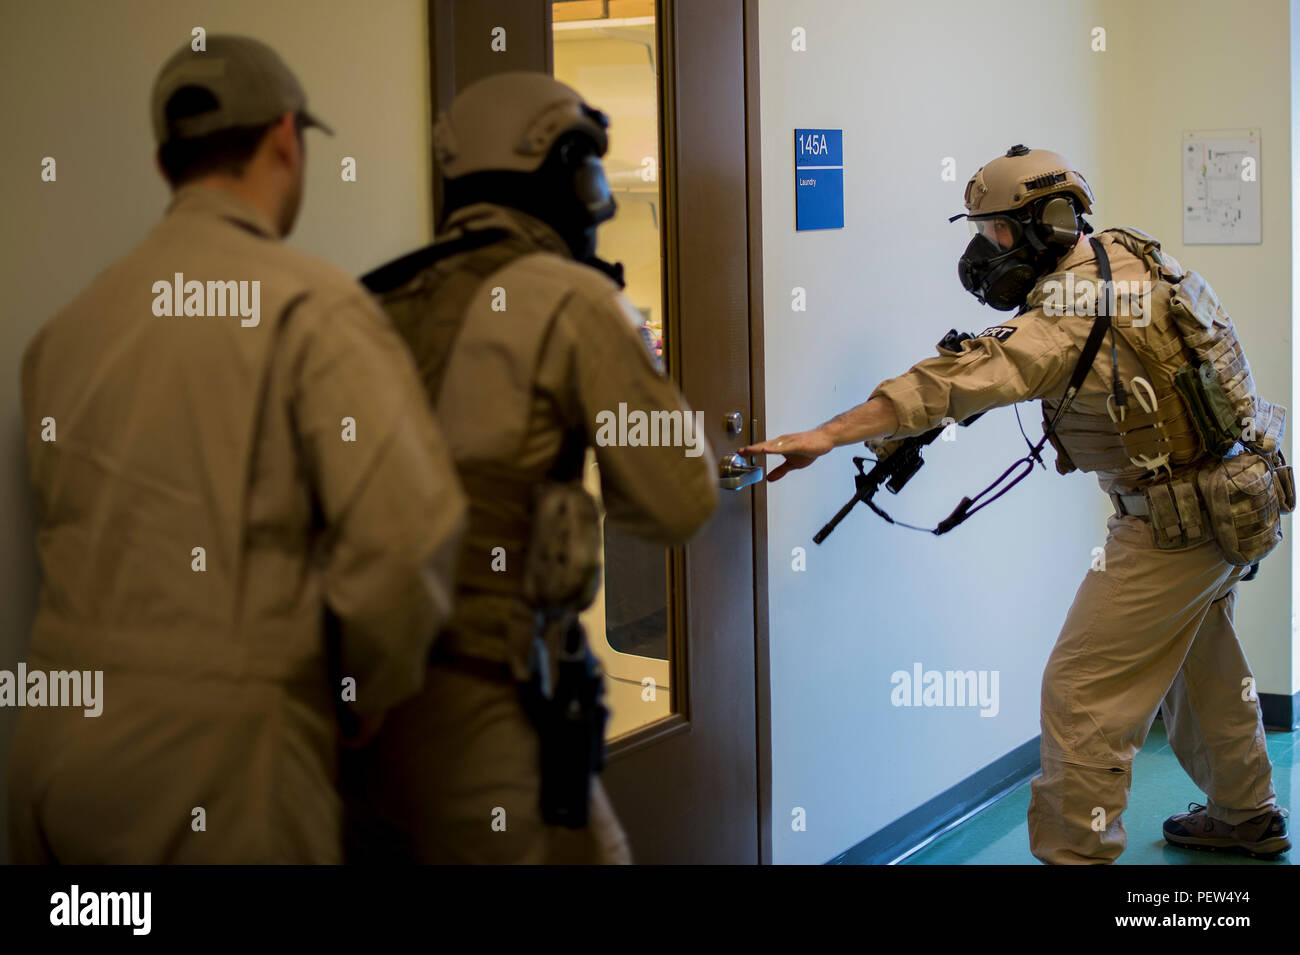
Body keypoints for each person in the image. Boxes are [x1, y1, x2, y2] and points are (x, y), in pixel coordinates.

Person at [742, 144, 1290, 864]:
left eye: (996, 231)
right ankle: (1246, 813)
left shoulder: (1066, 316)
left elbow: (957, 377)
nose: (985, 250)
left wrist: (825, 434)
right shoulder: (1126, 256)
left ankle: (1075, 852)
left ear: (1043, 224)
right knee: (1204, 665)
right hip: (1240, 495)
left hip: (1171, 525)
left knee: (1082, 694)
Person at [8, 35, 466, 864]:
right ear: (287, 138)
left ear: (164, 164)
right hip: (216, 764)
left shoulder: (66, 332)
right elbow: (407, 537)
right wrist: (365, 689)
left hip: (53, 744)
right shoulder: (313, 308)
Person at [350, 71, 718, 864]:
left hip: (360, 691)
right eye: (590, 171)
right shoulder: (567, 298)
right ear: (557, 170)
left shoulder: (371, 298)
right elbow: (677, 501)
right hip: (488, 688)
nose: (604, 201)